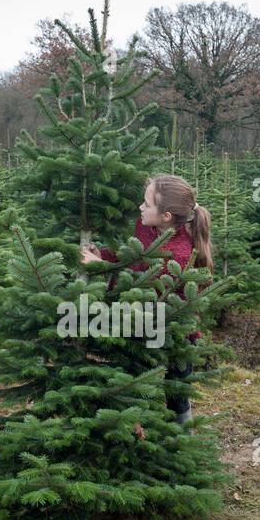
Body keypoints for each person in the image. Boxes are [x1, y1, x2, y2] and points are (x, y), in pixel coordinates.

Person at [79, 174, 213, 424]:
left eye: (147, 204)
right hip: (143, 326)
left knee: (176, 394)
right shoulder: (146, 226)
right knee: (134, 387)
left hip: (176, 336)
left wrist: (101, 268)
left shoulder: (181, 255)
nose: (141, 207)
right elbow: (134, 256)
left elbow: (142, 286)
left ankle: (181, 441)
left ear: (167, 216)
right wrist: (105, 255)